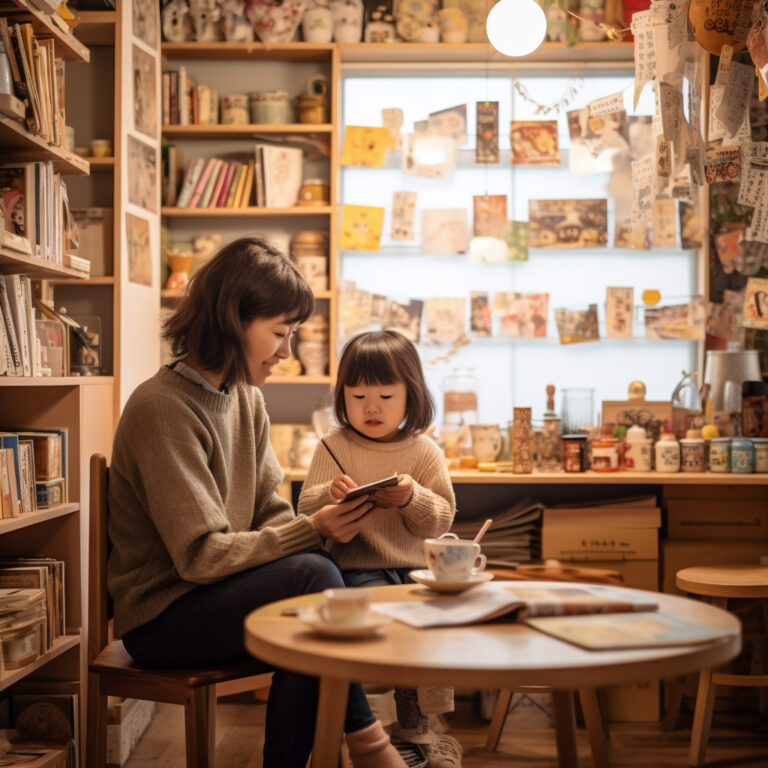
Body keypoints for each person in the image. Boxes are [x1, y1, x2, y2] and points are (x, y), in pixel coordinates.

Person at [107, 237, 409, 768]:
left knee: (312, 603)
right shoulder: (161, 408)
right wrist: (314, 531)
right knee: (311, 580)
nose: (286, 352)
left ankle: (339, 752)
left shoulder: (245, 398)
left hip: (218, 596)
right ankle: (369, 743)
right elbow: (201, 558)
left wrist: (326, 527)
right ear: (232, 322)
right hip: (162, 618)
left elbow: (271, 513)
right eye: (280, 333)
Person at [297, 330, 463, 768]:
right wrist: (330, 494)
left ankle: (420, 728)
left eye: (386, 396)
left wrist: (411, 497)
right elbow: (305, 512)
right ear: (342, 397)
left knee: (432, 623)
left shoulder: (424, 450)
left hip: (416, 570)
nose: (371, 407)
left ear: (412, 394)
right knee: (388, 626)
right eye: (358, 396)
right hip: (356, 570)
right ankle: (381, 730)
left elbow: (442, 519)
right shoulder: (333, 446)